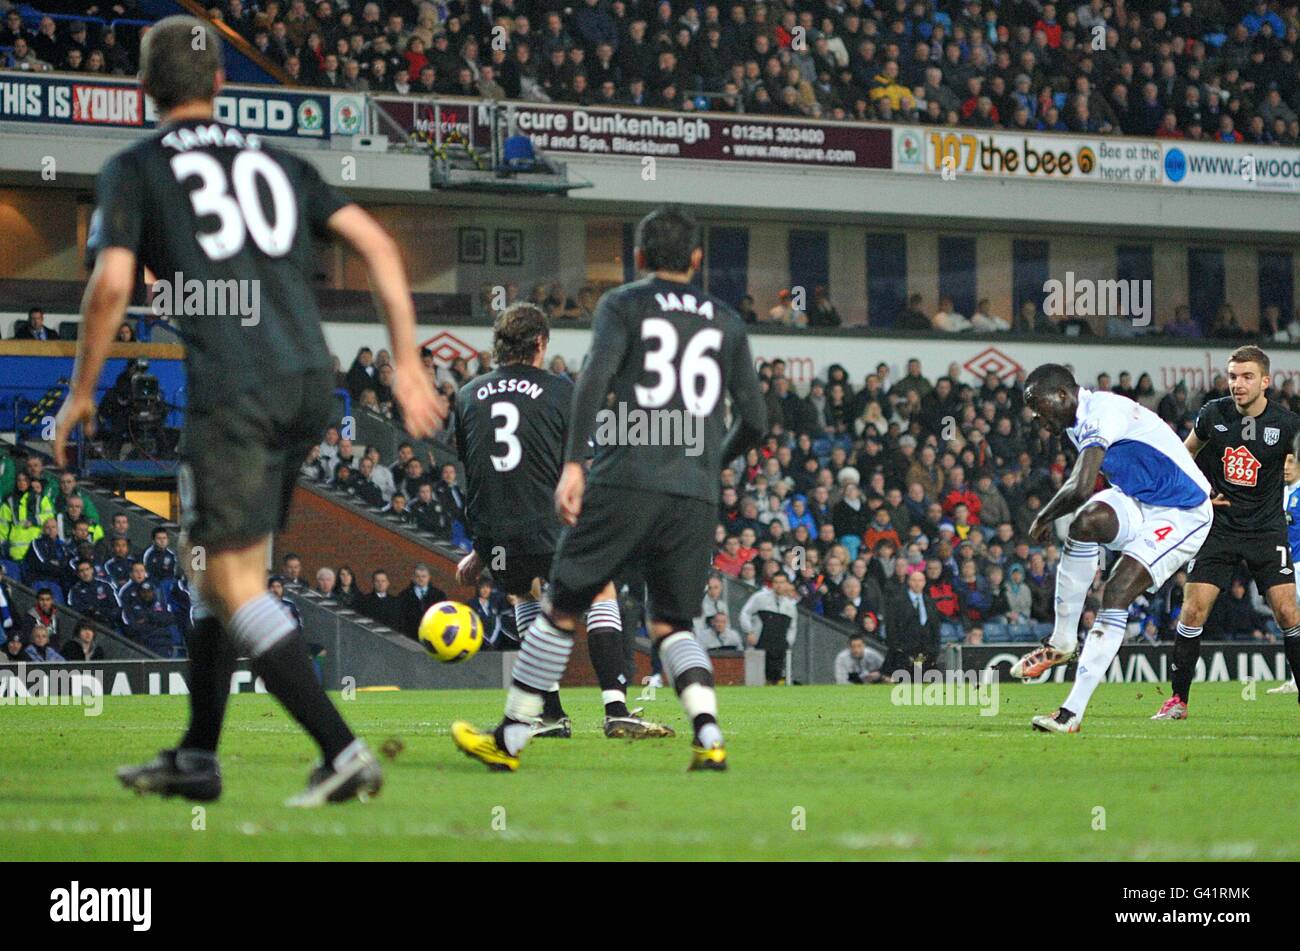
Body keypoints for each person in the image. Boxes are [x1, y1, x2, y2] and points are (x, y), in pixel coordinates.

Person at [53, 16, 444, 807]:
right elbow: (374, 242)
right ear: (223, 86)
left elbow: (108, 286)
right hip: (307, 380)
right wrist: (405, 361)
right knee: (221, 574)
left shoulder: (137, 167)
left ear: (142, 90)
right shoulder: (278, 157)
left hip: (235, 388)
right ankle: (198, 756)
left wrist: (82, 391)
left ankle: (341, 751)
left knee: (230, 580)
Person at [452, 205, 766, 772]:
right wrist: (711, 463)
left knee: (562, 603)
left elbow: (595, 376)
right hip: (693, 491)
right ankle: (709, 735)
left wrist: (575, 465)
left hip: (627, 477)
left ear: (640, 258)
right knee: (672, 623)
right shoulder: (727, 319)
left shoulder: (624, 304)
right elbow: (758, 422)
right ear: (696, 260)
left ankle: (511, 737)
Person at [450, 302, 671, 738]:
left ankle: (551, 714)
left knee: (524, 598)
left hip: (497, 533)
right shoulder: (562, 391)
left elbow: (476, 474)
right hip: (552, 523)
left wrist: (480, 547)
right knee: (601, 591)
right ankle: (616, 709)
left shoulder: (465, 395)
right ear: (540, 344)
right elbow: (585, 464)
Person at [1008, 364, 1213, 734]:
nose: (1037, 416)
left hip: (1183, 510)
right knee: (1085, 523)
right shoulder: (1075, 420)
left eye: (1039, 406)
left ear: (1062, 395)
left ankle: (1071, 713)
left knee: (1115, 592)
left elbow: (1082, 486)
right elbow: (1079, 483)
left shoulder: (1101, 413)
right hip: (1138, 499)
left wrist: (1041, 518)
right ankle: (1062, 641)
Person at [1150, 347, 1300, 718]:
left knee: (1287, 612)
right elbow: (1184, 456)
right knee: (1193, 609)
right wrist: (1200, 493)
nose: (1238, 383)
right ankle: (1178, 701)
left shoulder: (1286, 423)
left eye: (1247, 376)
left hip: (1266, 529)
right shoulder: (1213, 414)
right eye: (1233, 376)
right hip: (1220, 529)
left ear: (1265, 381)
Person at [738, 574, 800, 683]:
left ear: (787, 585)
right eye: (776, 582)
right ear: (772, 584)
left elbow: (792, 627)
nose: (779, 586)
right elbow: (745, 613)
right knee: (755, 680)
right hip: (759, 645)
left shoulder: (790, 606)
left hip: (778, 648)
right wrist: (749, 631)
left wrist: (788, 643)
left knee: (774, 680)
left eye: (782, 582)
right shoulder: (760, 598)